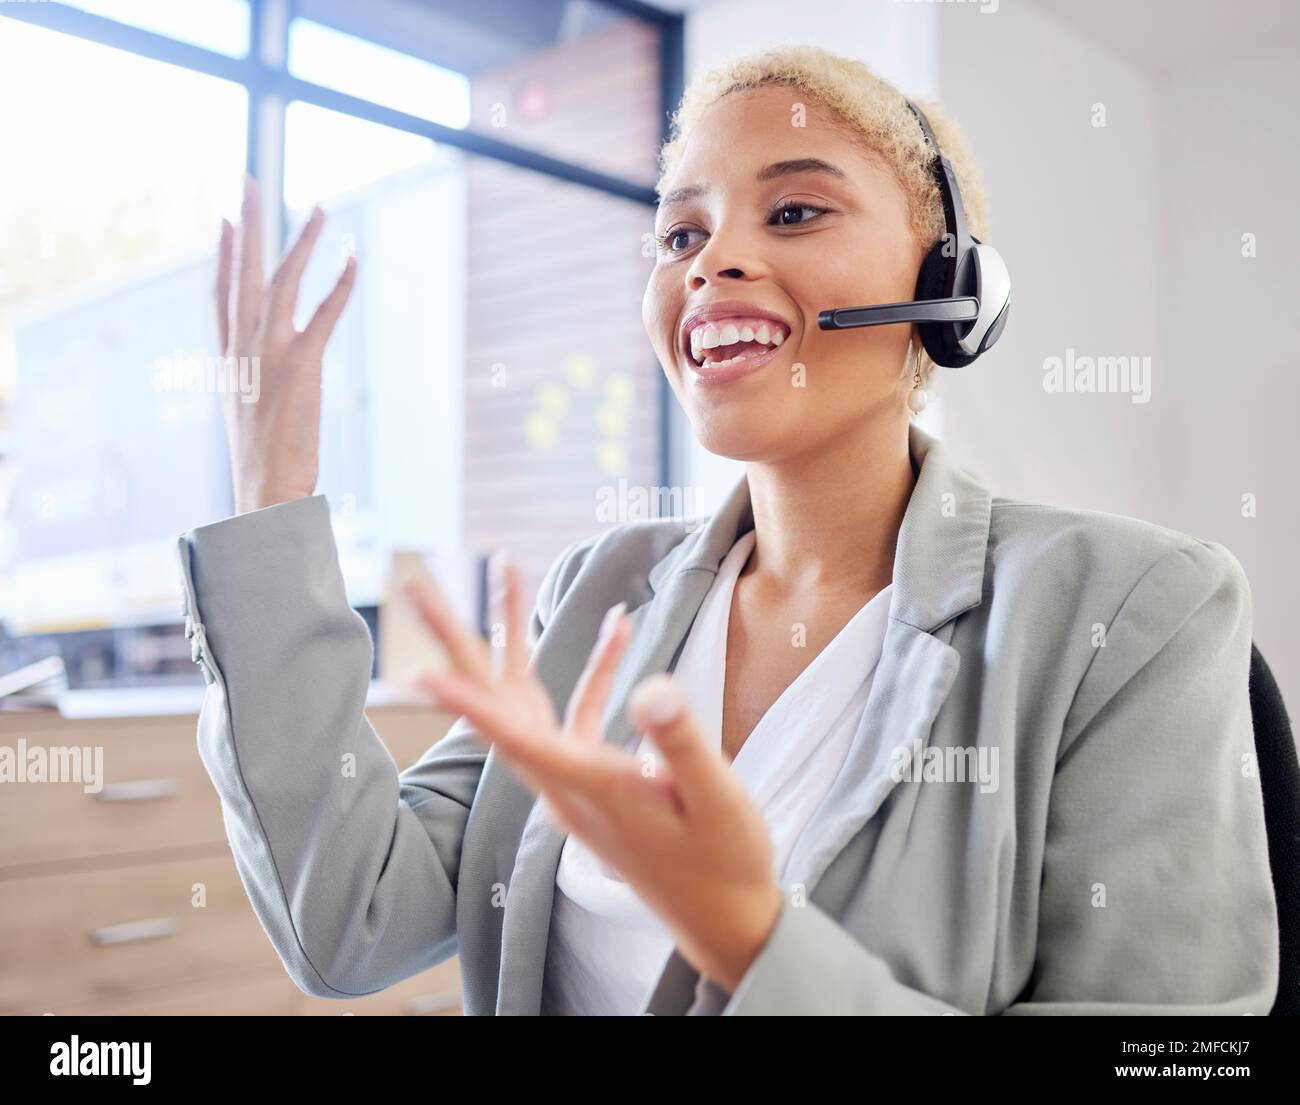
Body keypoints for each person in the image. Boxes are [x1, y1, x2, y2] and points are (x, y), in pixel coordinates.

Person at [177, 44, 1279, 1015]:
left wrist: (752, 938)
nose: (709, 262)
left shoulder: (1133, 609)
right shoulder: (597, 589)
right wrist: (272, 492)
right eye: (680, 232)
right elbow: (351, 916)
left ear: (947, 287)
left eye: (793, 211)